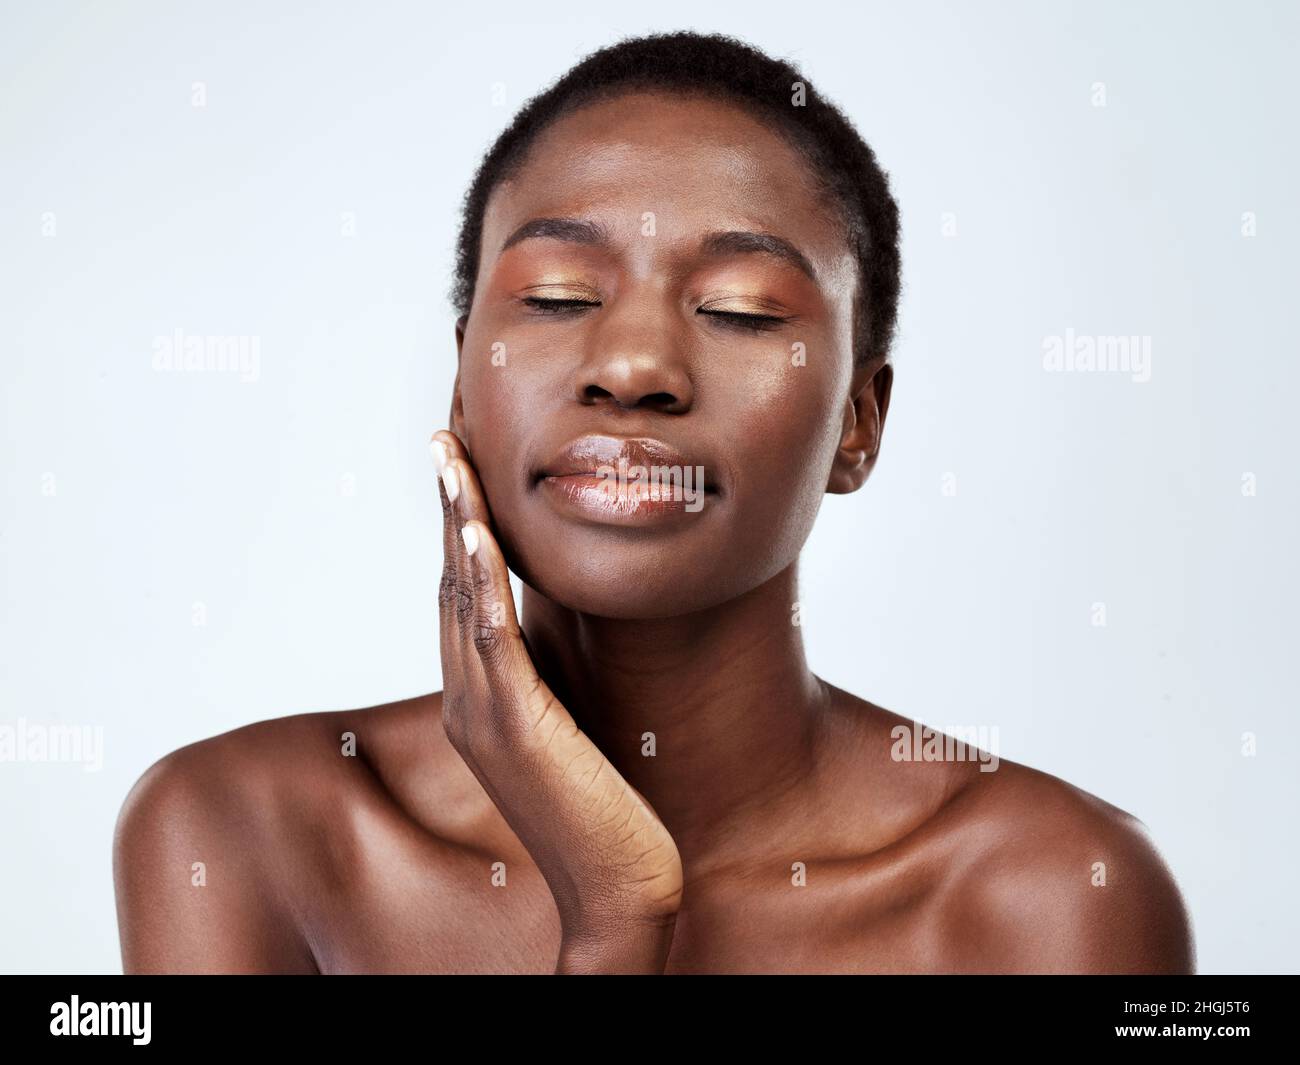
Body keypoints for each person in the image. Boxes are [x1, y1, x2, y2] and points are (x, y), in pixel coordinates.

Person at [113, 30, 1195, 974]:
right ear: (461, 385)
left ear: (857, 425)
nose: (631, 366)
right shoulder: (244, 829)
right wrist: (616, 918)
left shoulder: (1050, 894)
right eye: (556, 297)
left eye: (739, 310)